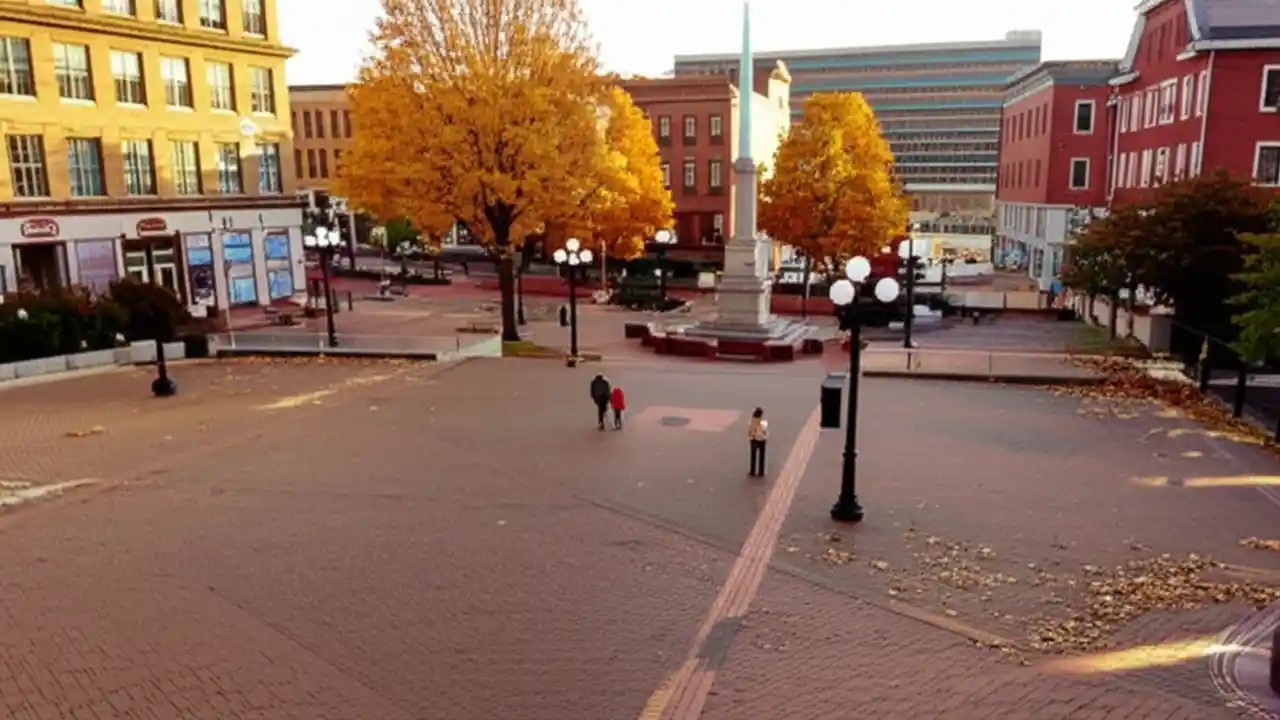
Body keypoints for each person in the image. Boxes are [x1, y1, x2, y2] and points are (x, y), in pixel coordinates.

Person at [747, 407, 768, 477]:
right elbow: (765, 431)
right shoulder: (764, 423)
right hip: (762, 440)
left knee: (753, 455)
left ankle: (752, 470)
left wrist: (750, 436)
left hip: (754, 439)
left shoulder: (751, 422)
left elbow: (749, 431)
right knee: (762, 456)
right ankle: (761, 472)